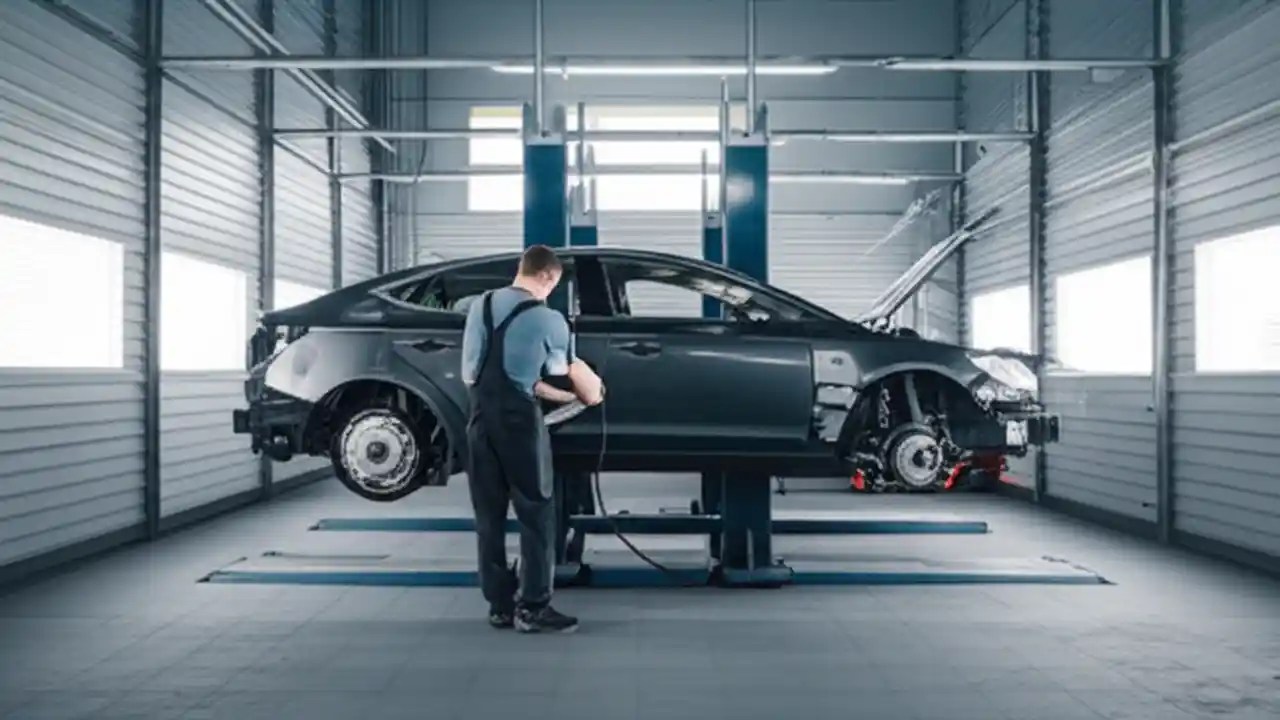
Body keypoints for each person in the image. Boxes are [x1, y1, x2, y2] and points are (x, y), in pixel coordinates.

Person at [460, 244, 604, 633]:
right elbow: (558, 372)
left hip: (478, 421)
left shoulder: (480, 306)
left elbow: (476, 374)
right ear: (546, 277)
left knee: (488, 515)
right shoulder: (549, 319)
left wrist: (559, 397)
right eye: (553, 285)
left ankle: (500, 606)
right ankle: (534, 607)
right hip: (519, 423)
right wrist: (585, 394)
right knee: (536, 513)